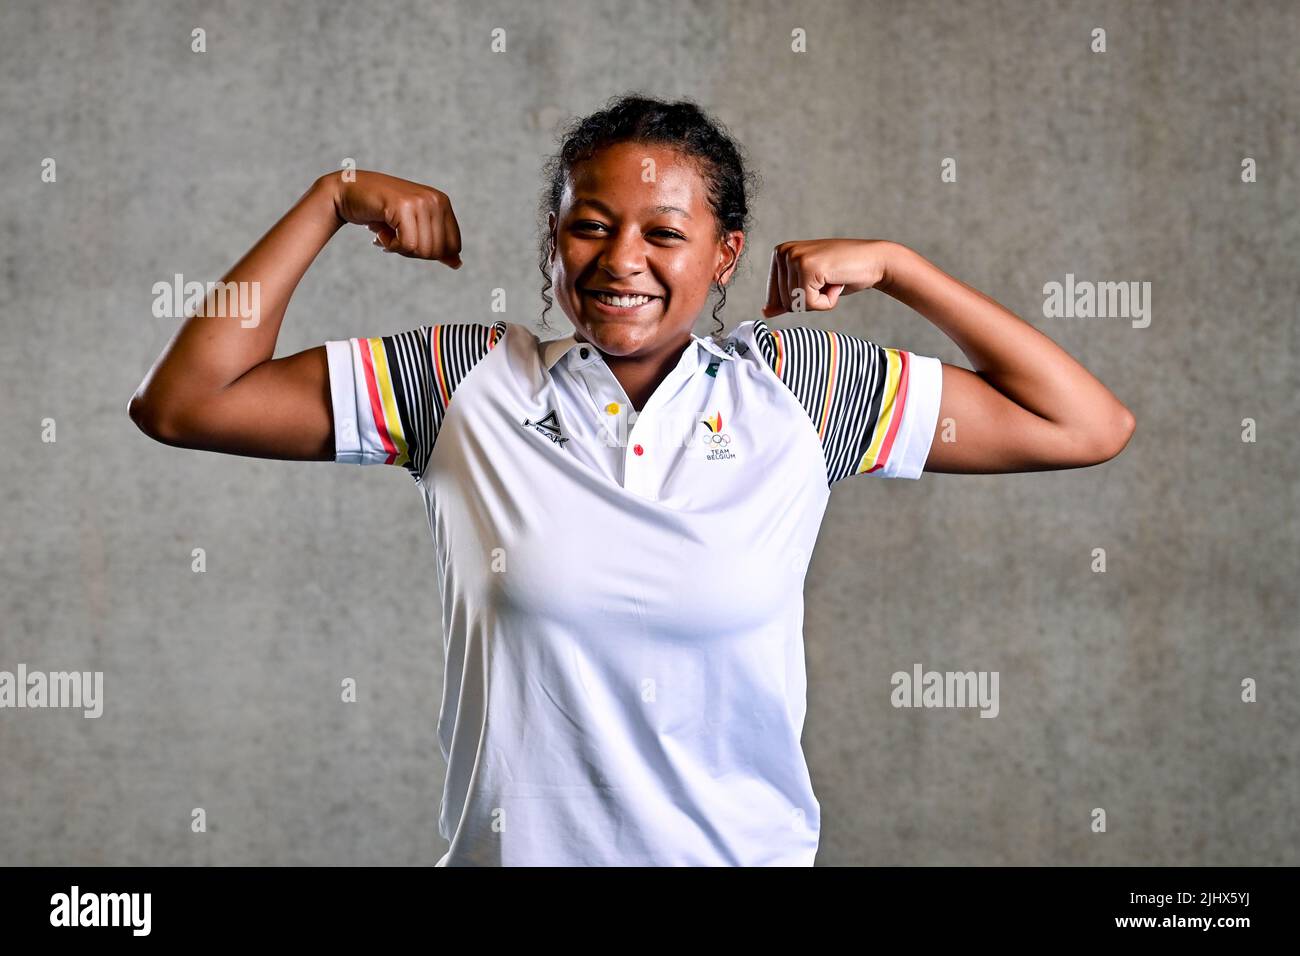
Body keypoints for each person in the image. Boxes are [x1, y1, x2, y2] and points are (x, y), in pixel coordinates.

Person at [128, 93, 1135, 866]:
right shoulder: (462, 379)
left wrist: (903, 266)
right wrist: (330, 197)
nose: (621, 261)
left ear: (724, 254)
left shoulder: (801, 390)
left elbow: (1086, 423)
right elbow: (184, 402)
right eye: (588, 225)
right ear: (552, 241)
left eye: (663, 232)